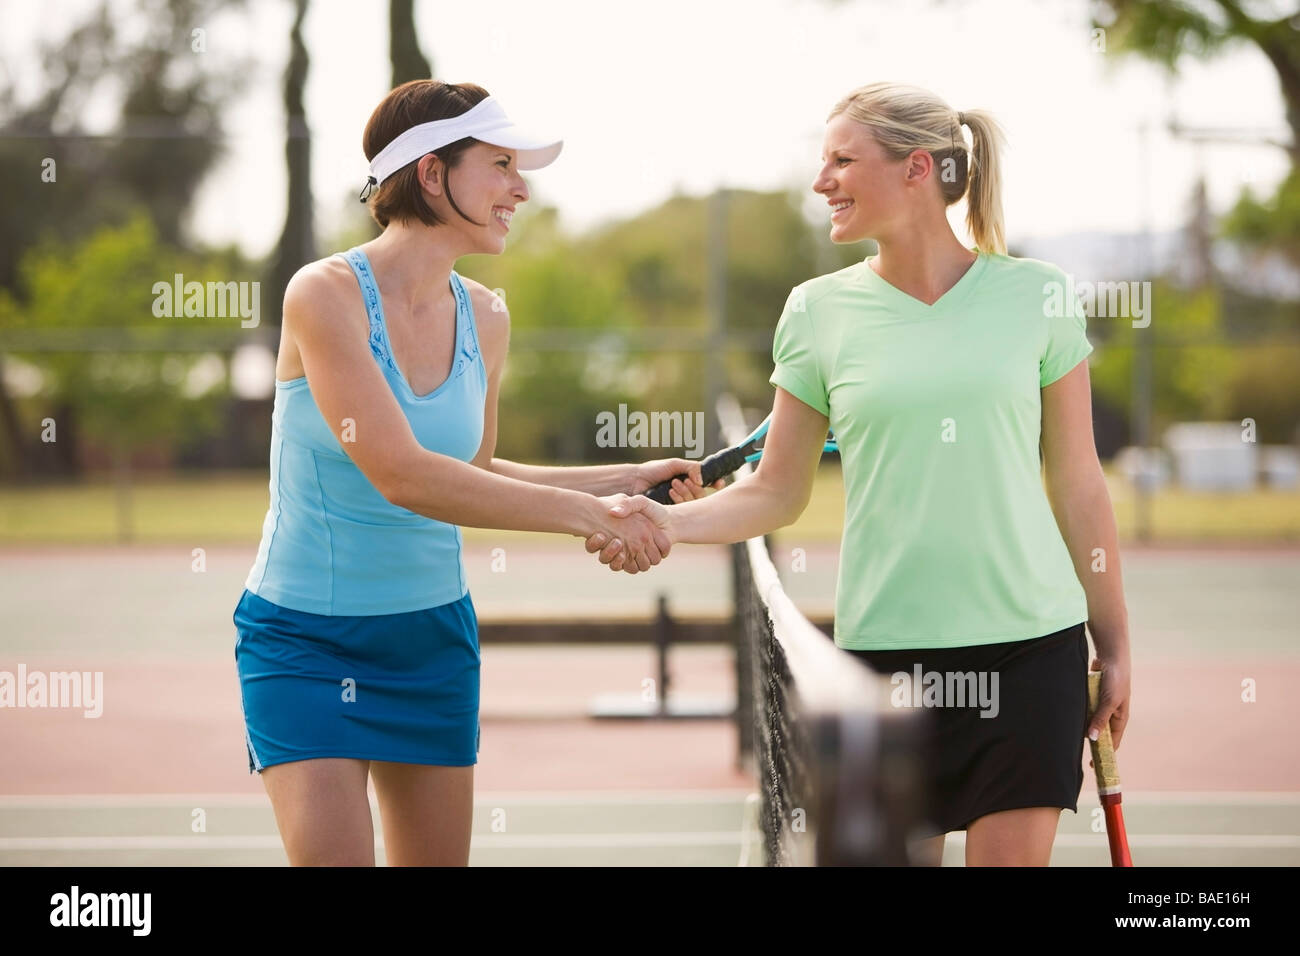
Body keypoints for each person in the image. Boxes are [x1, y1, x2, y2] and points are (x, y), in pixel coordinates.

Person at [603, 82, 1133, 866]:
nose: (822, 182)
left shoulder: (1040, 296)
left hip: (1032, 658)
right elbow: (778, 490)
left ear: (917, 168)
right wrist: (664, 523)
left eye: (842, 160)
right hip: (883, 672)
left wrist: (1115, 641)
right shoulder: (816, 312)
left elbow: (1079, 482)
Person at [233, 79, 718, 866]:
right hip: (305, 645)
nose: (520, 189)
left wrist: (626, 477)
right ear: (431, 173)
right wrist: (592, 518)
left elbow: (477, 469)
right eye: (500, 165)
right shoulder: (322, 296)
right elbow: (406, 475)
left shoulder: (487, 316)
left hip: (430, 639)